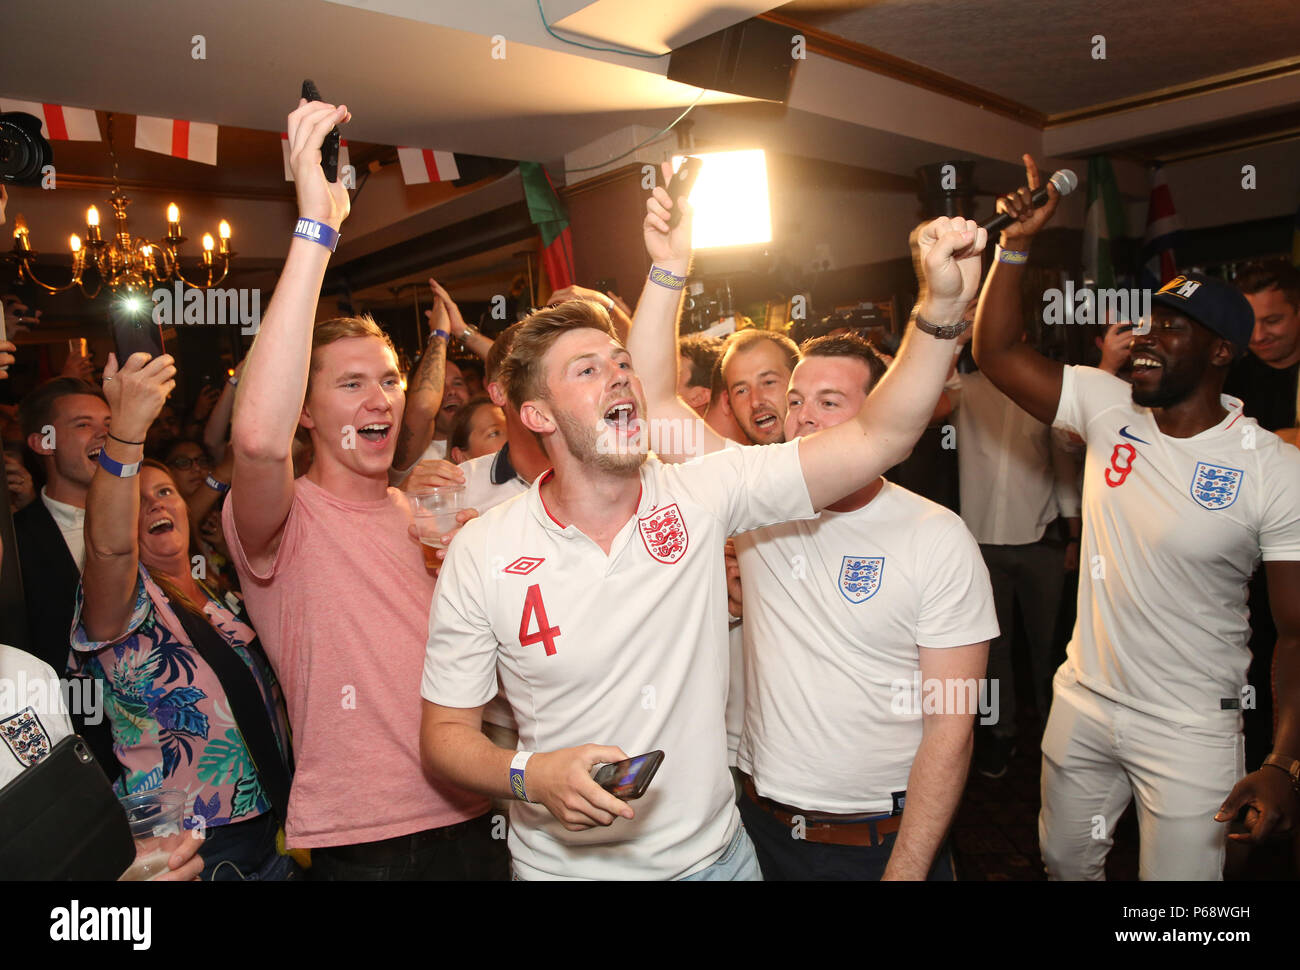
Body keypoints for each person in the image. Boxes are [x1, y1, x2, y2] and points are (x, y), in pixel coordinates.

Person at [419, 159, 989, 880]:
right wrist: (529, 774)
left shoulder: (702, 491)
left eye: (619, 362)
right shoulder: (485, 550)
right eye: (587, 371)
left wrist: (939, 314)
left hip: (717, 862)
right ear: (536, 415)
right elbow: (443, 736)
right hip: (562, 871)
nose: (619, 376)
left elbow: (880, 438)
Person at [974, 153, 1300, 880]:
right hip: (1084, 699)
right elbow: (994, 350)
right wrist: (1015, 245)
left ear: (1222, 351)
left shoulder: (1272, 468)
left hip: (1189, 726)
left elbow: (1296, 634)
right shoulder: (1106, 405)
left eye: (1174, 329)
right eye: (1149, 320)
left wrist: (1284, 760)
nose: (1147, 337)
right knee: (1064, 865)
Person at [223, 96, 506, 880]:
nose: (381, 398)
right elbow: (253, 438)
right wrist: (317, 227)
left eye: (387, 378)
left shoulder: (416, 510)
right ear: (306, 413)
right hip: (370, 841)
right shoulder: (282, 521)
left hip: (476, 811)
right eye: (351, 385)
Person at [74, 350, 296, 881]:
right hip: (193, 837)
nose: (154, 505)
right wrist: (126, 433)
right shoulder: (120, 603)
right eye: (137, 500)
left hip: (272, 814)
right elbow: (109, 552)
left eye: (166, 492)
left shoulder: (217, 589)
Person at [950, 348, 1081, 777]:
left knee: (1053, 647)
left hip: (1041, 539)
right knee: (993, 649)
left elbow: (1064, 463)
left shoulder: (1042, 396)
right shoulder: (965, 390)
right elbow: (930, 389)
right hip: (981, 543)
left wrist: (1075, 535)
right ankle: (1001, 735)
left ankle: (1056, 738)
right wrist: (954, 335)